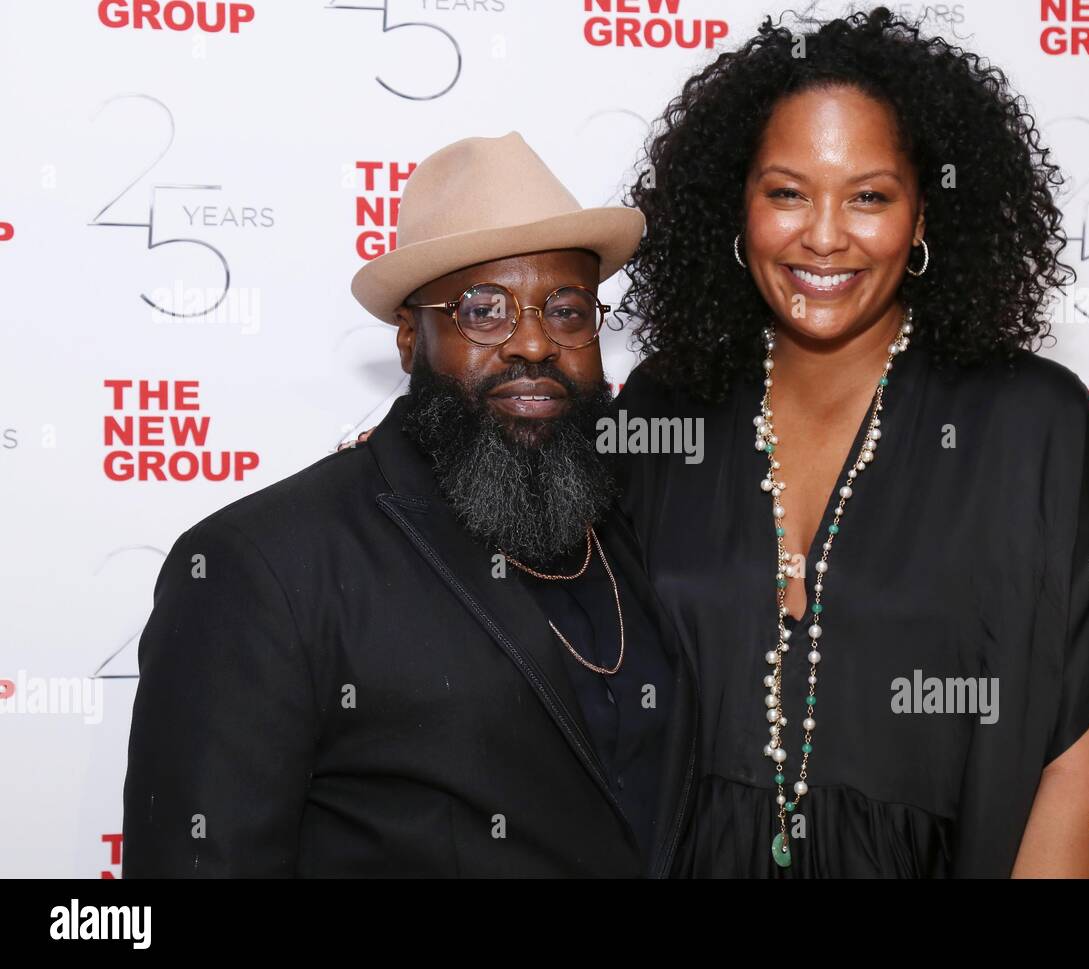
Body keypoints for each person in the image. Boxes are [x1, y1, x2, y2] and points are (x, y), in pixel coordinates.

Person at [612, 7, 1089, 877]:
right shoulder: (667, 407)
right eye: (786, 191)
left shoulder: (1032, 431)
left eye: (869, 196)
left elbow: (1071, 777)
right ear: (735, 203)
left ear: (924, 214)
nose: (823, 234)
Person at [122, 132, 697, 877]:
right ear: (407, 336)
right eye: (483, 310)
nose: (533, 342)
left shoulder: (634, 530)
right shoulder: (263, 567)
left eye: (567, 309)